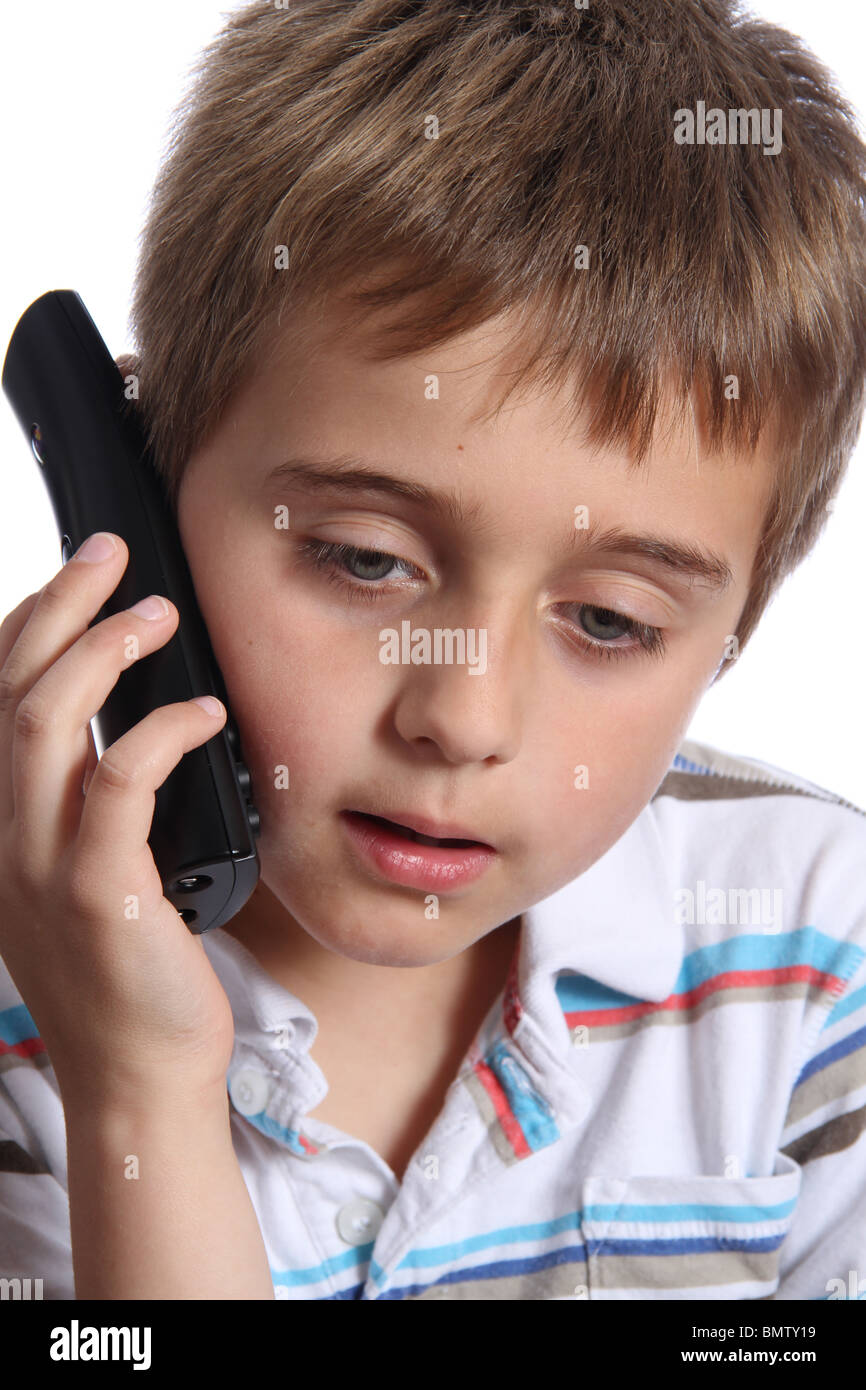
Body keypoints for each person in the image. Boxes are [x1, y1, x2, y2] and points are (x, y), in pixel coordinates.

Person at [1, 0, 865, 1301]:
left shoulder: (814, 955)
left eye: (610, 621)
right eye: (362, 559)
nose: (463, 718)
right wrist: (138, 1097)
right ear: (136, 498)